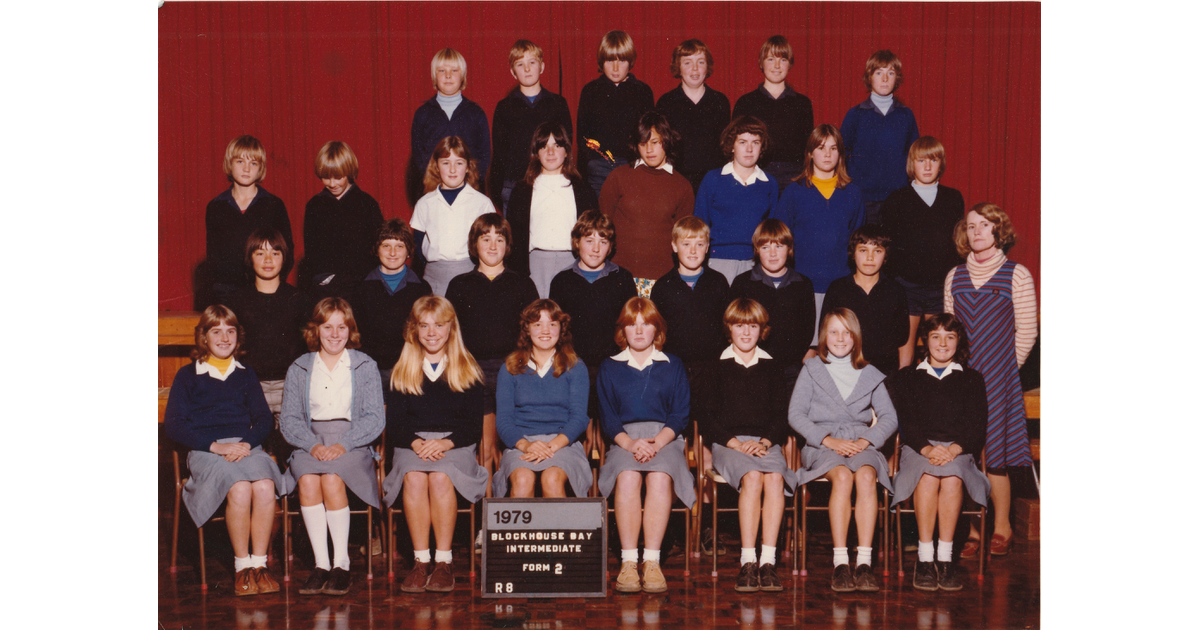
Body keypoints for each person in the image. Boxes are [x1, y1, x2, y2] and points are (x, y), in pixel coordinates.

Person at [165, 305, 286, 596]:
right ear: (203, 337)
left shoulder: (245, 374)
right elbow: (175, 426)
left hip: (245, 446)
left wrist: (245, 443)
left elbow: (263, 420)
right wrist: (215, 446)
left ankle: (260, 565)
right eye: (216, 331)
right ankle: (242, 567)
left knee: (266, 487)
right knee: (241, 488)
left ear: (237, 337)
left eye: (230, 331)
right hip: (207, 450)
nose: (224, 337)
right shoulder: (188, 375)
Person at [943, 203, 1037, 559]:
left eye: (985, 225)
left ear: (999, 231)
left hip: (999, 377)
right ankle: (973, 529)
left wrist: (1004, 369)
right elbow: (948, 331)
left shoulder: (1017, 274)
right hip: (962, 378)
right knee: (966, 451)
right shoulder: (954, 276)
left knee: (995, 455)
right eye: (971, 226)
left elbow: (1027, 331)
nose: (977, 231)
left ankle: (1002, 527)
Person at [381, 296, 488, 594]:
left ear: (451, 328)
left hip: (455, 446)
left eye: (439, 325)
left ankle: (443, 562)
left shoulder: (467, 368)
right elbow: (397, 424)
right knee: (414, 478)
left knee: (441, 478)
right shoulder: (403, 369)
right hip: (411, 446)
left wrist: (444, 442)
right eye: (424, 325)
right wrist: (417, 442)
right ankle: (420, 561)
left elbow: (472, 427)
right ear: (413, 329)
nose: (431, 332)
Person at [280, 298, 385, 597]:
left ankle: (341, 563)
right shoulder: (300, 367)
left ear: (350, 330)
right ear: (316, 329)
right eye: (328, 327)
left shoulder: (364, 365)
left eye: (342, 327)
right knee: (309, 480)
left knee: (332, 478)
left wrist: (344, 444)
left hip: (353, 442)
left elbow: (375, 418)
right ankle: (321, 564)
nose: (335, 334)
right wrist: (311, 445)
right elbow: (288, 420)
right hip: (309, 441)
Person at [788, 308, 897, 592]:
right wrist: (827, 440)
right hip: (822, 444)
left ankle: (864, 562)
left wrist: (867, 440)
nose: (840, 338)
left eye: (846, 332)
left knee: (864, 477)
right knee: (844, 477)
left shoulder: (870, 373)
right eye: (834, 332)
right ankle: (840, 564)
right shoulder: (811, 369)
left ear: (855, 337)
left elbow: (889, 417)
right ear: (824, 336)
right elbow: (796, 414)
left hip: (860, 442)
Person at [596, 297, 695, 594]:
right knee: (626, 478)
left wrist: (656, 443)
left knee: (660, 478)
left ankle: (652, 562)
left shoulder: (673, 365)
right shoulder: (609, 367)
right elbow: (608, 418)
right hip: (624, 440)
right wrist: (631, 444)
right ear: (622, 330)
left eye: (646, 324)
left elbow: (680, 414)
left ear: (657, 329)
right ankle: (628, 563)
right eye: (632, 324)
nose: (639, 331)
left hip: (665, 438)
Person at [885, 314, 989, 592]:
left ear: (959, 342)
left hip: (959, 449)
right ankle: (924, 557)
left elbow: (977, 425)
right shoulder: (910, 377)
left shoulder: (972, 379)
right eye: (935, 336)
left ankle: (944, 560)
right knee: (928, 477)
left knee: (953, 478)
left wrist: (954, 449)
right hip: (920, 448)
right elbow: (907, 422)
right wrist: (928, 449)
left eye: (950, 337)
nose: (942, 343)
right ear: (925, 341)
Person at [700, 298, 792, 593]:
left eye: (752, 326)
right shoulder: (716, 366)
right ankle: (748, 561)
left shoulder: (773, 367)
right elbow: (706, 416)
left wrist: (765, 441)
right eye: (739, 325)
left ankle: (768, 562)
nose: (746, 332)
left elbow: (782, 415)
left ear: (761, 329)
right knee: (752, 478)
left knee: (775, 478)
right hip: (729, 444)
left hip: (765, 443)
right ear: (729, 328)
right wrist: (736, 444)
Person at [444, 213, 539, 472]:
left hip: (514, 372)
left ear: (508, 245)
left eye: (500, 239)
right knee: (485, 450)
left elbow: (534, 336)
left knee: (517, 449)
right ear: (475, 245)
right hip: (473, 372)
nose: (493, 246)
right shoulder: (459, 285)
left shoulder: (522, 284)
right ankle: (486, 507)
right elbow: (451, 338)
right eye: (486, 239)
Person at [771, 124, 865, 347]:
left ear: (841, 154)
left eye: (834, 149)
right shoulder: (794, 192)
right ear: (810, 153)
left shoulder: (853, 193)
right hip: (803, 287)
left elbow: (858, 243)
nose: (828, 154)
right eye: (821, 148)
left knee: (840, 350)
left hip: (840, 287)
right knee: (806, 352)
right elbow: (781, 240)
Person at [880, 136, 965, 368]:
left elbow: (959, 244)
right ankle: (898, 401)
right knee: (904, 353)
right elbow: (886, 247)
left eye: (933, 160)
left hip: (940, 288)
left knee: (938, 351)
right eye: (921, 161)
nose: (927, 167)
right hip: (907, 288)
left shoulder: (953, 198)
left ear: (941, 164)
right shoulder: (896, 199)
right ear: (911, 164)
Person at [493, 300, 591, 498]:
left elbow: (579, 418)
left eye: (552, 324)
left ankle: (560, 530)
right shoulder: (510, 367)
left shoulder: (576, 367)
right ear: (527, 329)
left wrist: (550, 446)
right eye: (538, 324)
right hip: (521, 443)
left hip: (563, 443)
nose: (545, 330)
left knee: (552, 479)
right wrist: (526, 445)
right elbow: (503, 421)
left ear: (561, 329)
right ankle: (520, 531)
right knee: (522, 479)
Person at [548, 210, 638, 421]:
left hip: (614, 364)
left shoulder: (622, 278)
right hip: (574, 365)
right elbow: (556, 331)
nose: (596, 249)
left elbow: (630, 325)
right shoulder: (561, 281)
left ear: (611, 246)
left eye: (603, 241)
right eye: (589, 241)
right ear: (577, 242)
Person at [599, 110, 695, 292]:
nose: (649, 150)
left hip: (662, 280)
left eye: (655, 142)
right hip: (619, 276)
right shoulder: (618, 177)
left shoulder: (682, 186)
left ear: (666, 141)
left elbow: (682, 238)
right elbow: (603, 227)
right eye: (643, 144)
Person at [225, 228, 311, 426]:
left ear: (284, 258)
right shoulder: (236, 301)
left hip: (290, 386)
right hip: (251, 385)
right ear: (250, 258)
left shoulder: (300, 299)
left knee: (293, 450)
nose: (268, 260)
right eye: (260, 253)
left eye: (275, 253)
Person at [505, 122, 599, 297]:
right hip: (535, 265)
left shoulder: (583, 190)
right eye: (544, 146)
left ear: (566, 151)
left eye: (557, 145)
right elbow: (513, 238)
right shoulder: (522, 190)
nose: (550, 152)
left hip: (573, 263)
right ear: (536, 152)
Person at [729, 219, 815, 393]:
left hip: (791, 369)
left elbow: (808, 327)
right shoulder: (742, 283)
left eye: (779, 246)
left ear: (789, 249)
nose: (773, 254)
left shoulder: (803, 284)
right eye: (765, 247)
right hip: (752, 365)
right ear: (757, 251)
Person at [205, 135, 292, 305]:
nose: (246, 169)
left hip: (264, 291)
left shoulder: (274, 205)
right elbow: (213, 256)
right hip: (226, 293)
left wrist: (272, 286)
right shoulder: (216, 207)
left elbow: (286, 251)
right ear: (229, 164)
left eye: (253, 163)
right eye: (240, 162)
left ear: (260, 168)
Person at [489, 39, 573, 212]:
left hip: (551, 183)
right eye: (520, 64)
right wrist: (502, 190)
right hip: (513, 186)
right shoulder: (504, 107)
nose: (527, 69)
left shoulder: (558, 103)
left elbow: (567, 146)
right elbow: (499, 155)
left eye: (532, 62)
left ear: (541, 67)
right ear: (513, 72)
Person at [694, 115, 778, 284]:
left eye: (755, 142)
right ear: (731, 146)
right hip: (718, 261)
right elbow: (699, 225)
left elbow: (772, 231)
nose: (749, 149)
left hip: (756, 263)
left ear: (762, 147)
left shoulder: (769, 183)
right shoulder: (713, 179)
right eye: (742, 142)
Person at [840, 50, 920, 225]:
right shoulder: (855, 115)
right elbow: (841, 154)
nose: (885, 79)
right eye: (879, 73)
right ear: (869, 77)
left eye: (890, 73)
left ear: (896, 78)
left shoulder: (906, 115)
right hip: (863, 197)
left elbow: (915, 156)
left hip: (898, 197)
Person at [350, 218, 433, 386]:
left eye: (399, 246)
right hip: (371, 370)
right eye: (386, 246)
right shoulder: (361, 288)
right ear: (376, 249)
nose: (393, 253)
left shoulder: (421, 289)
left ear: (409, 251)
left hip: (410, 369)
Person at [409, 136, 496, 296]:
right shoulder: (425, 203)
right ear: (436, 166)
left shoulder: (482, 203)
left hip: (470, 274)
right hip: (434, 277)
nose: (452, 169)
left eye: (459, 163)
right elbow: (419, 246)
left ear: (468, 166)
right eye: (446, 163)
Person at [300, 141, 385, 300]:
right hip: (326, 288)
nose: (332, 184)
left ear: (350, 172)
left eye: (338, 177)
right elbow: (312, 253)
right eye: (326, 177)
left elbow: (378, 249)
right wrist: (324, 281)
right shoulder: (314, 206)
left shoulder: (367, 204)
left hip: (361, 287)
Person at [820, 224, 909, 376]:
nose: (870, 257)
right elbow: (824, 335)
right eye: (863, 250)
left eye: (877, 251)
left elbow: (902, 339)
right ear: (853, 254)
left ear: (885, 256)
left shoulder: (896, 291)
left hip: (885, 373)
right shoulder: (838, 289)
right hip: (845, 371)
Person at [577, 30, 655, 198]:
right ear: (601, 61)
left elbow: (649, 133)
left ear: (630, 61)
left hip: (633, 166)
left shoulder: (642, 91)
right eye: (610, 60)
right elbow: (583, 135)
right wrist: (592, 162)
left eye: (622, 61)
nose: (615, 67)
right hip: (599, 168)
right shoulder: (590, 91)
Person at [731, 35, 814, 193]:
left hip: (793, 178)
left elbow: (808, 148)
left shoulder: (803, 104)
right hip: (755, 174)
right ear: (761, 63)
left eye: (782, 60)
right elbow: (734, 146)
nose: (777, 66)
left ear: (790, 64)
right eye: (770, 59)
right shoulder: (745, 102)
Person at [656, 38, 731, 193]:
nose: (695, 69)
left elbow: (727, 146)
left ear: (707, 66)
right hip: (676, 180)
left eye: (701, 62)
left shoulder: (720, 101)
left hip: (713, 181)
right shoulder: (666, 102)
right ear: (679, 67)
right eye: (688, 63)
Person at [411, 47, 491, 186]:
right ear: (434, 76)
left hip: (469, 189)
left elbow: (484, 154)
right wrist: (434, 181)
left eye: (454, 70)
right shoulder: (423, 114)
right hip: (434, 189)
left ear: (463, 76)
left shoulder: (476, 113)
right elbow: (419, 155)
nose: (448, 75)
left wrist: (472, 181)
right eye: (442, 70)